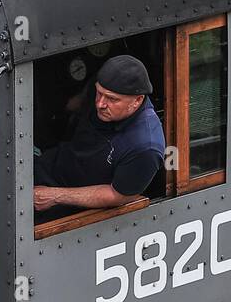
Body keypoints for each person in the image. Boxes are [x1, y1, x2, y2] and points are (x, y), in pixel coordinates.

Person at [33, 54, 165, 215]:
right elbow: (76, 103)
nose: (100, 104)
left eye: (112, 99)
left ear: (137, 101)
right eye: (99, 93)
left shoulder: (145, 147)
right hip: (50, 165)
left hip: (67, 205)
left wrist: (55, 196)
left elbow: (117, 195)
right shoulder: (103, 87)